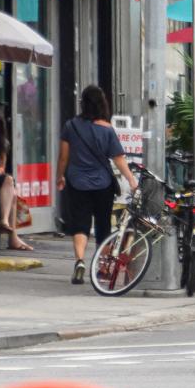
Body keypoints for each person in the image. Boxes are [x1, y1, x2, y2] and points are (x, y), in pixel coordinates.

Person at [56, 85, 137, 285]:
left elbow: (63, 157)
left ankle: (80, 261)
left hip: (77, 182)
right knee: (102, 225)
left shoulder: (71, 126)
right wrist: (131, 179)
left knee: (80, 224)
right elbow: (118, 158)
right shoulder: (107, 129)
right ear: (102, 103)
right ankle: (101, 267)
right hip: (103, 184)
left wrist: (60, 176)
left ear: (83, 103)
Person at [0, 109, 31, 251]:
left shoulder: (1, 142)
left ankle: (5, 223)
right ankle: (12, 236)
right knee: (12, 192)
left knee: (9, 182)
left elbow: (1, 167)